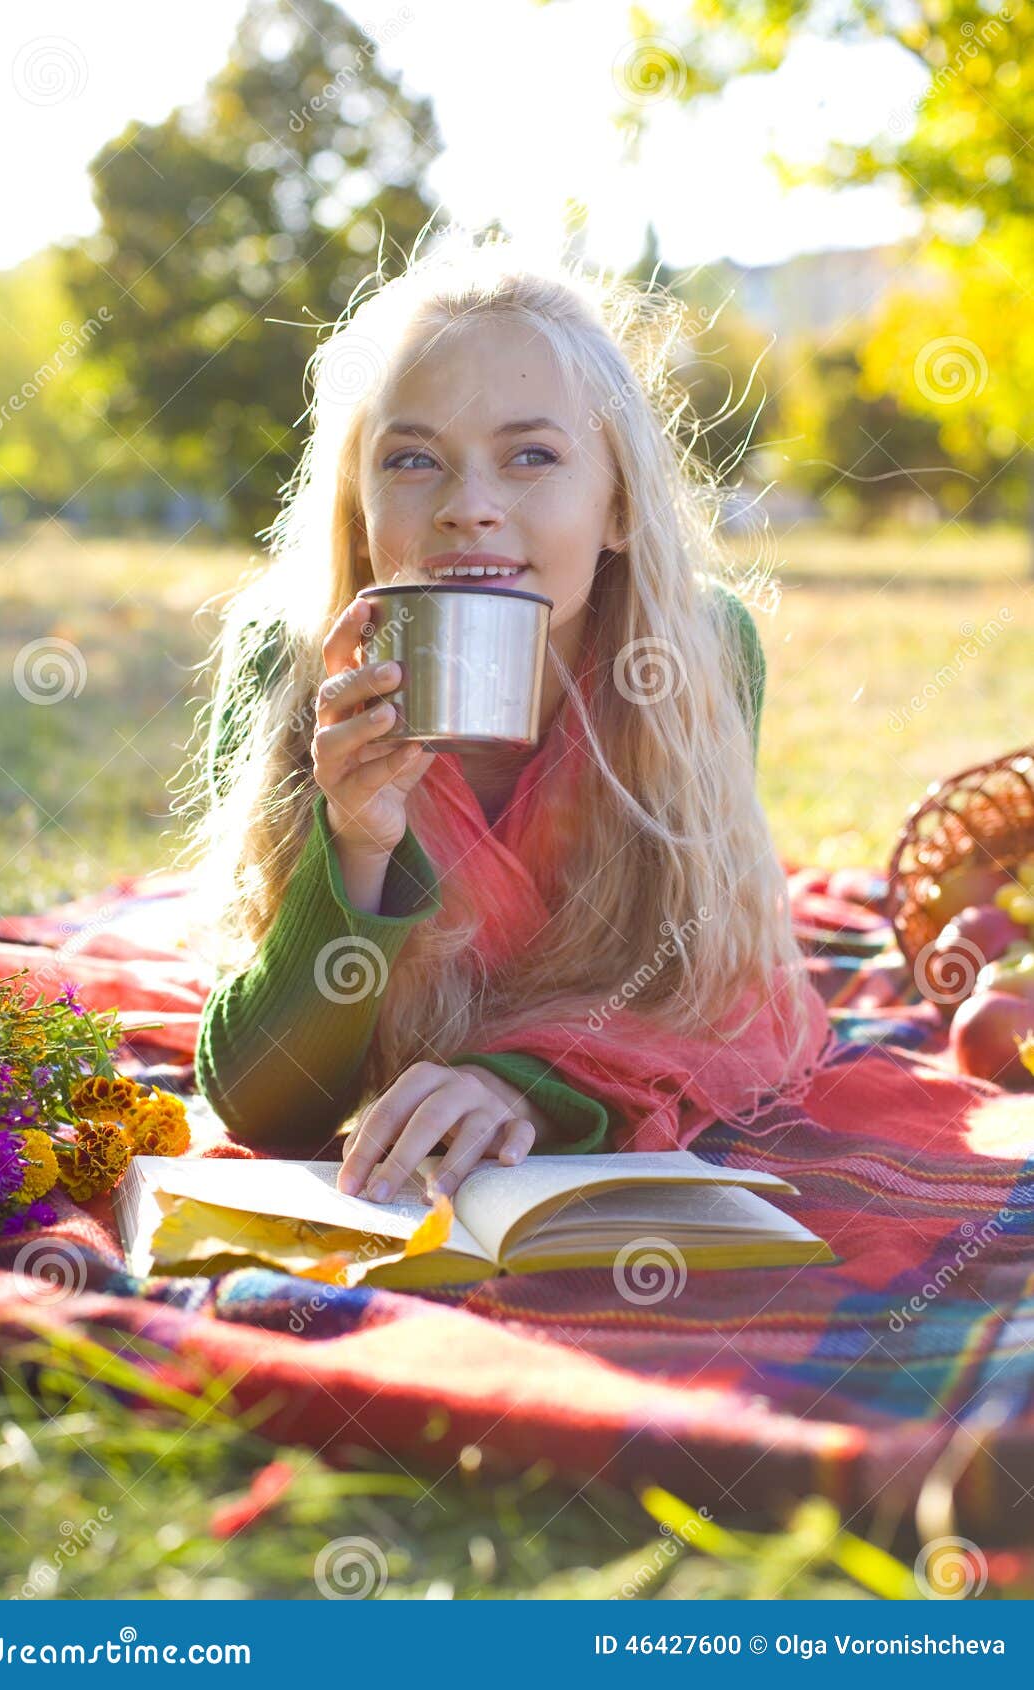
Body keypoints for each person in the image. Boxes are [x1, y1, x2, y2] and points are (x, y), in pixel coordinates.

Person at [181, 224, 832, 1206]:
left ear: (618, 506)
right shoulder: (289, 660)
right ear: (358, 510)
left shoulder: (694, 653)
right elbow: (266, 1104)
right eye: (412, 460)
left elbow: (716, 992)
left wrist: (524, 1086)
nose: (469, 506)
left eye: (531, 454)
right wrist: (355, 845)